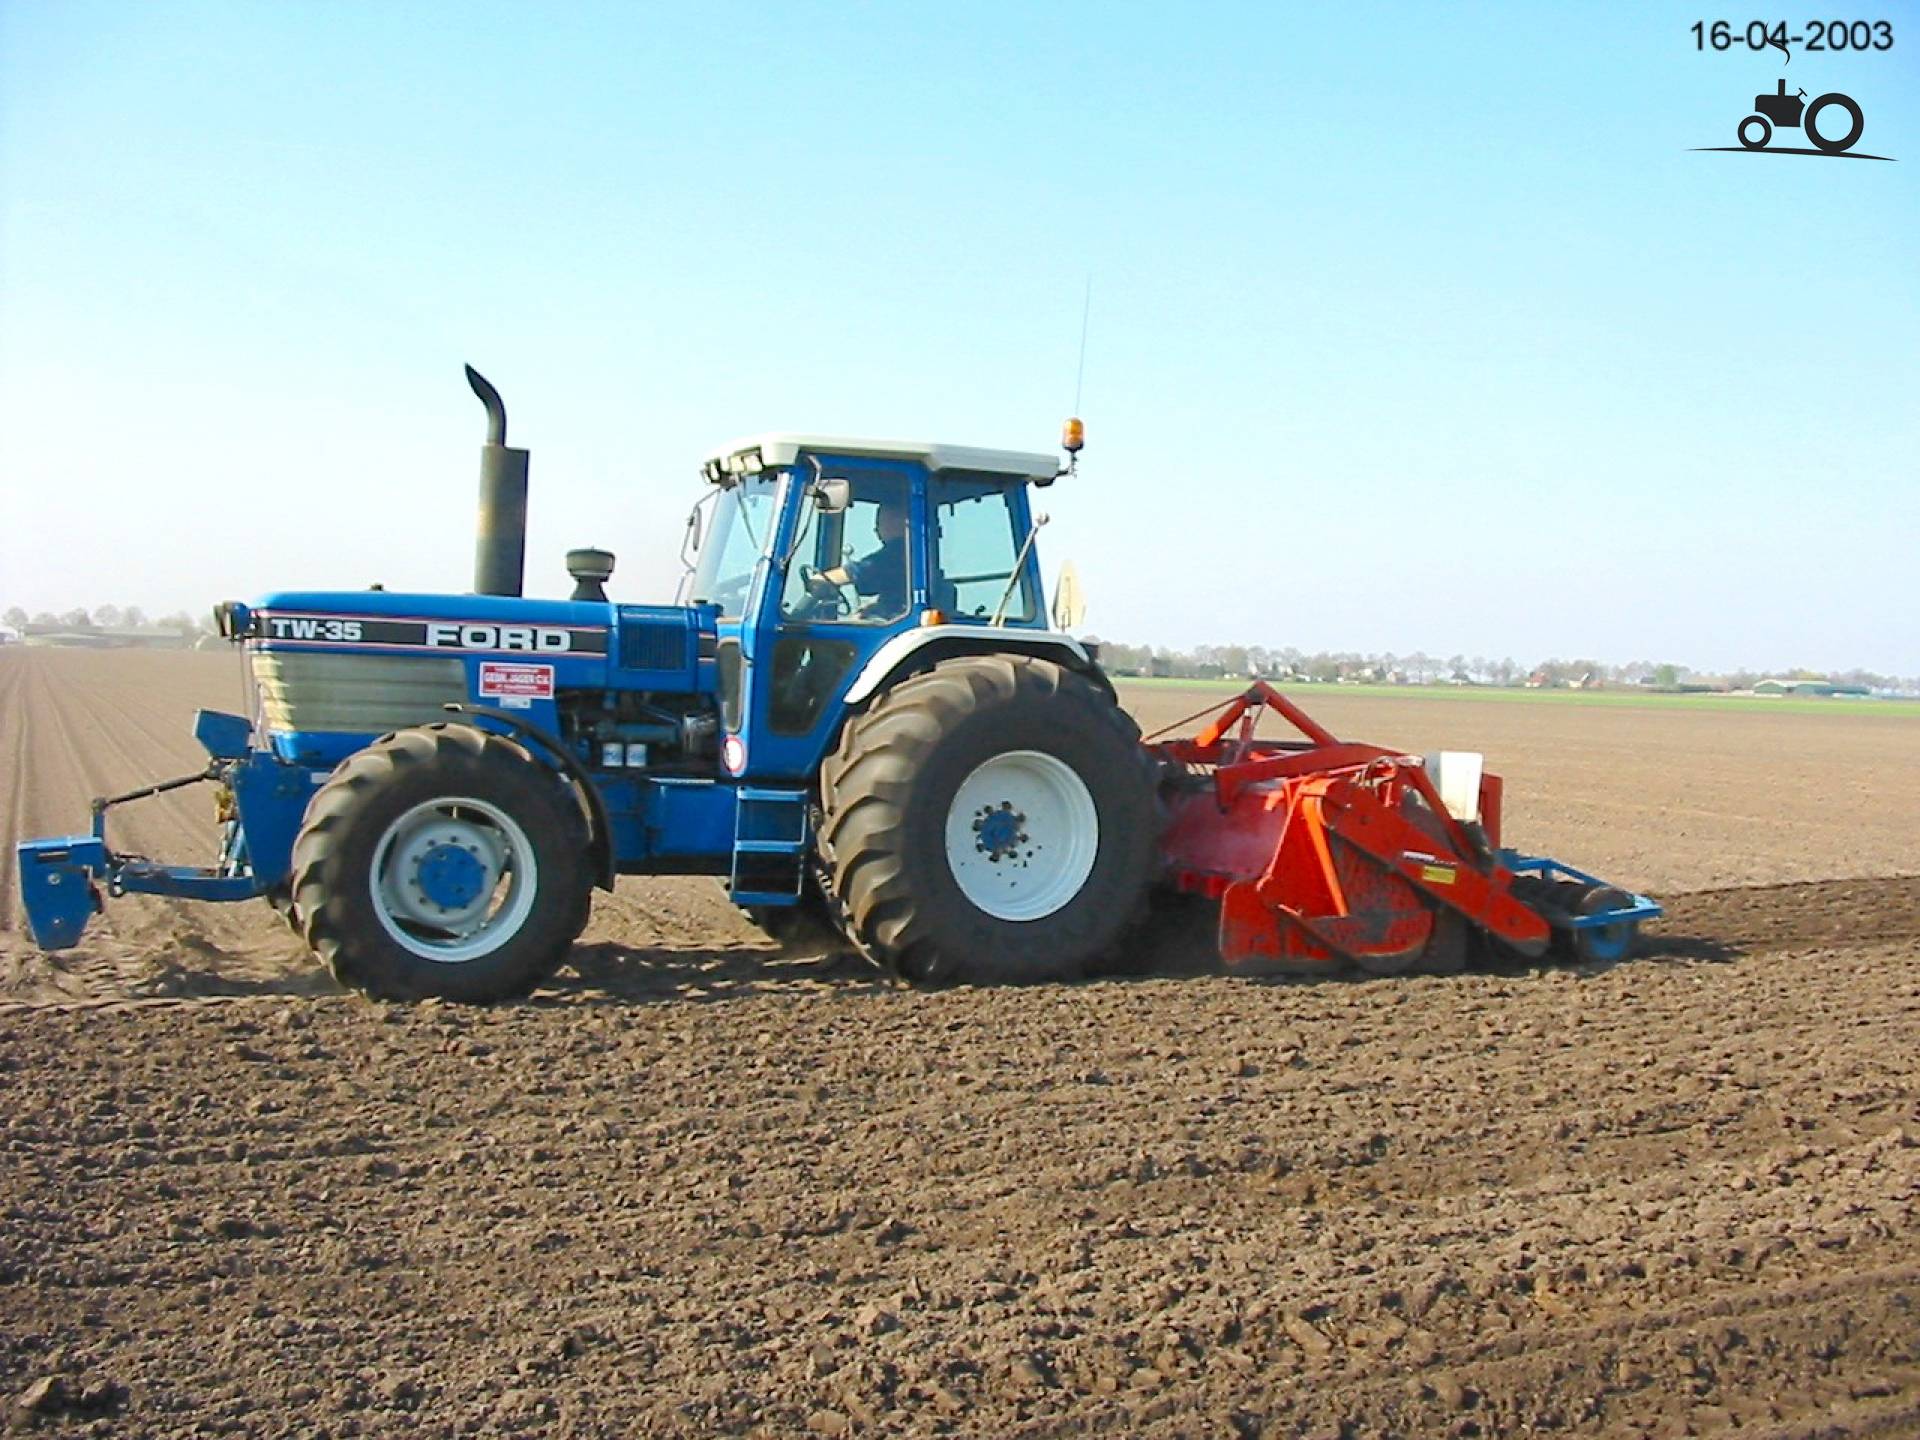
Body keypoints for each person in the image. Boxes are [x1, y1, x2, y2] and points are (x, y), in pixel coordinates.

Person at [810, 501, 908, 619]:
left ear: (897, 521)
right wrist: (875, 607)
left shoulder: (897, 553)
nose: (876, 530)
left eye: (879, 523)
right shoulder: (909, 553)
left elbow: (863, 571)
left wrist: (821, 579)